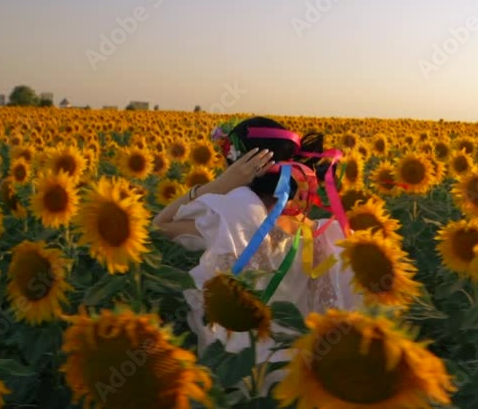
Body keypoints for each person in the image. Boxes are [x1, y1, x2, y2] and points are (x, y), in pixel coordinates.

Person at [153, 116, 361, 394]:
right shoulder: (318, 232)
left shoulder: (234, 216)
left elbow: (160, 226)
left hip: (241, 374)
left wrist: (217, 185)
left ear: (240, 167)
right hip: (297, 377)